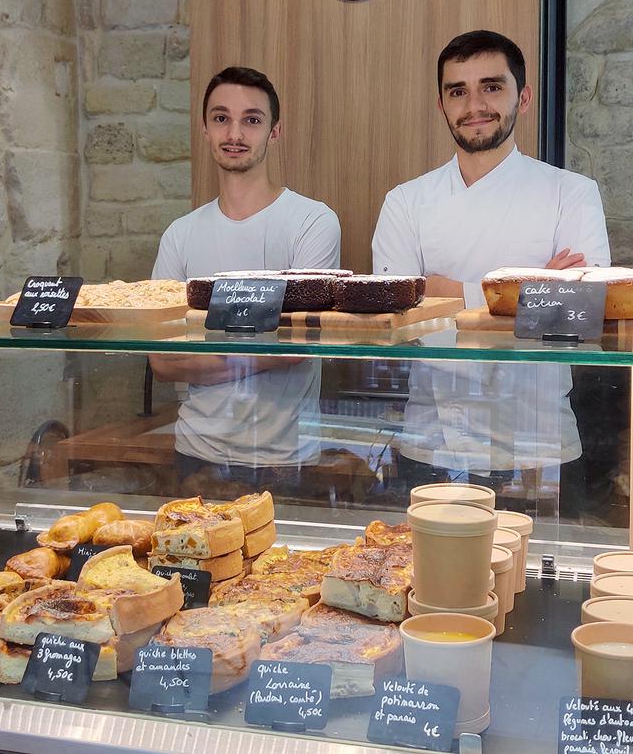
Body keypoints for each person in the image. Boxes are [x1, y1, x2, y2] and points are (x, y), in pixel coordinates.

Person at [372, 30, 610, 509]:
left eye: (492, 87)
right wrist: (530, 290)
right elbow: (399, 319)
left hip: (539, 446)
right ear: (441, 105)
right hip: (431, 443)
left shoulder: (572, 194)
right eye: (457, 91)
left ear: (523, 98)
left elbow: (582, 313)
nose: (474, 105)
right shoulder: (405, 202)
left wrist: (446, 293)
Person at [150, 66, 341, 497]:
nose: (234, 133)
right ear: (204, 128)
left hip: (284, 460)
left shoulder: (312, 222)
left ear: (275, 131)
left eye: (251, 120)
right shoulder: (180, 235)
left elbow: (297, 348)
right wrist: (263, 349)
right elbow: (161, 362)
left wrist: (207, 354)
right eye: (221, 118)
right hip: (195, 451)